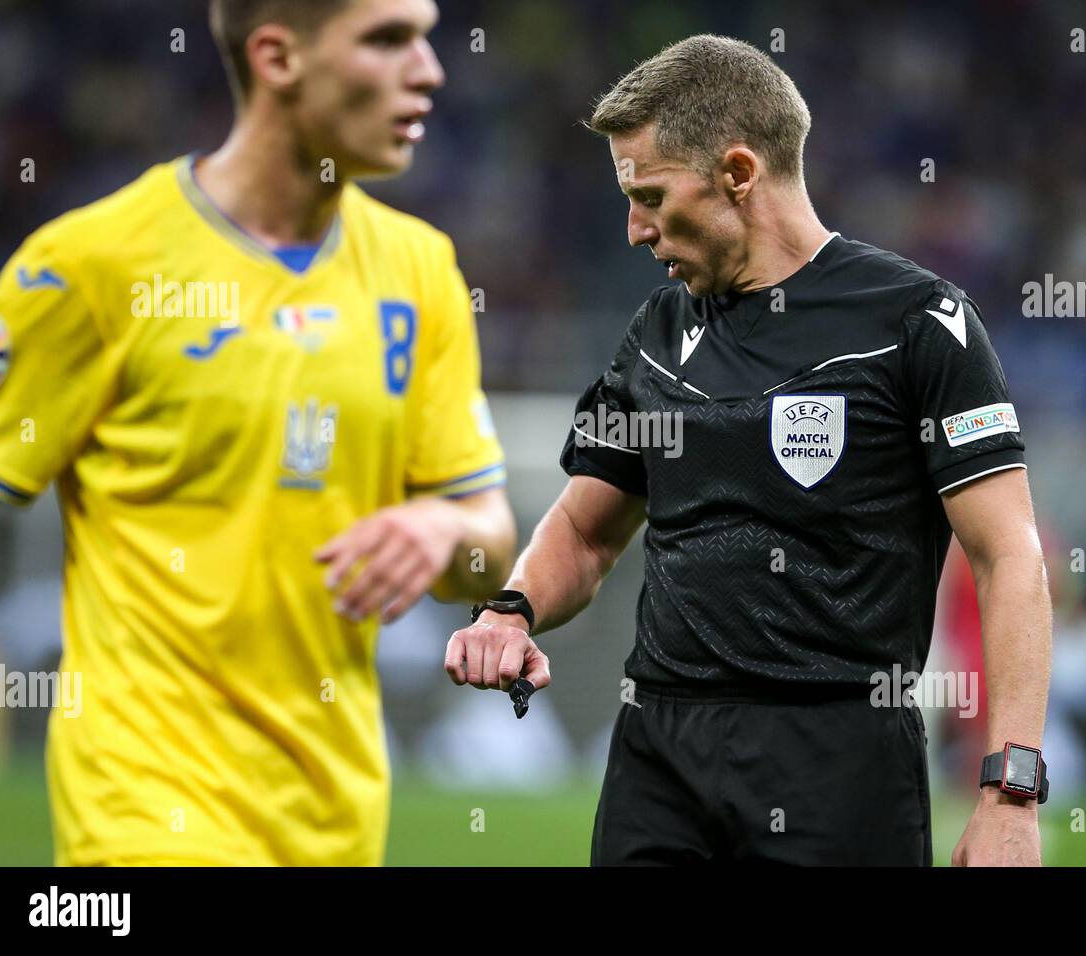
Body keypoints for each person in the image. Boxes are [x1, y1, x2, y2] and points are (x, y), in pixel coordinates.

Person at [445, 34, 1052, 866]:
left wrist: (1009, 795)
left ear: (737, 173)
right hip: (657, 752)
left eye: (650, 195)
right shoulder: (656, 333)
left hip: (840, 757)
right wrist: (512, 609)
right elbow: (587, 533)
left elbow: (1009, 556)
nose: (634, 229)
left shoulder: (916, 325)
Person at [0, 0, 515, 866]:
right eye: (387, 39)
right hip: (144, 814)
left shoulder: (421, 273)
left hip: (336, 818)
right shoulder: (89, 266)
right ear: (277, 57)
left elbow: (489, 544)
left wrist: (446, 528)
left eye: (426, 35)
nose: (431, 69)